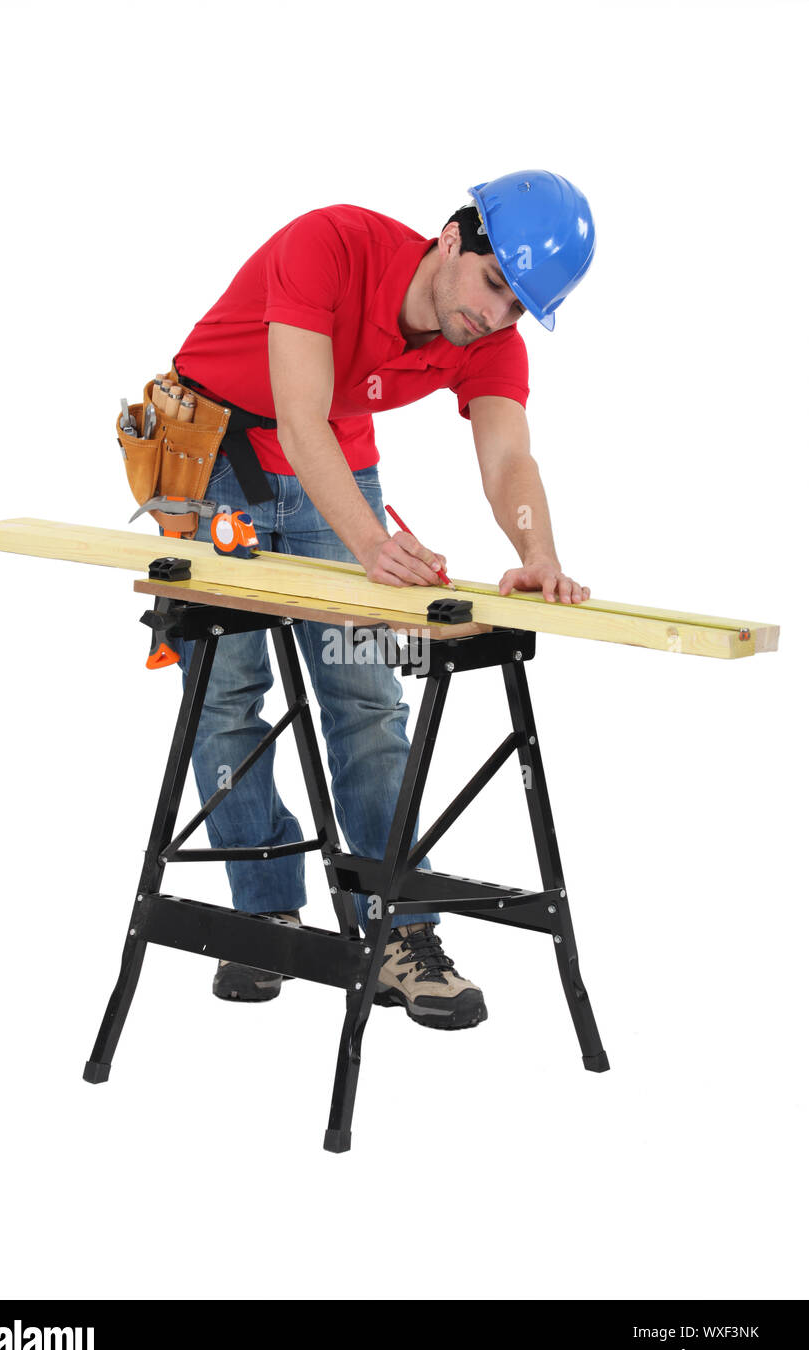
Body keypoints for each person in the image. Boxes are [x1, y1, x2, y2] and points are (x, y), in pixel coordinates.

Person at [170, 169, 596, 1030]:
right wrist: (374, 546)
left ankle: (400, 930)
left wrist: (538, 553)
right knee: (226, 698)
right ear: (451, 238)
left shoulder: (490, 342)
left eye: (520, 309)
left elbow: (508, 459)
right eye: (493, 285)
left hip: (337, 471)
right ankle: (263, 915)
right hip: (215, 461)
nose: (495, 316)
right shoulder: (328, 244)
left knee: (364, 695)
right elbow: (297, 417)